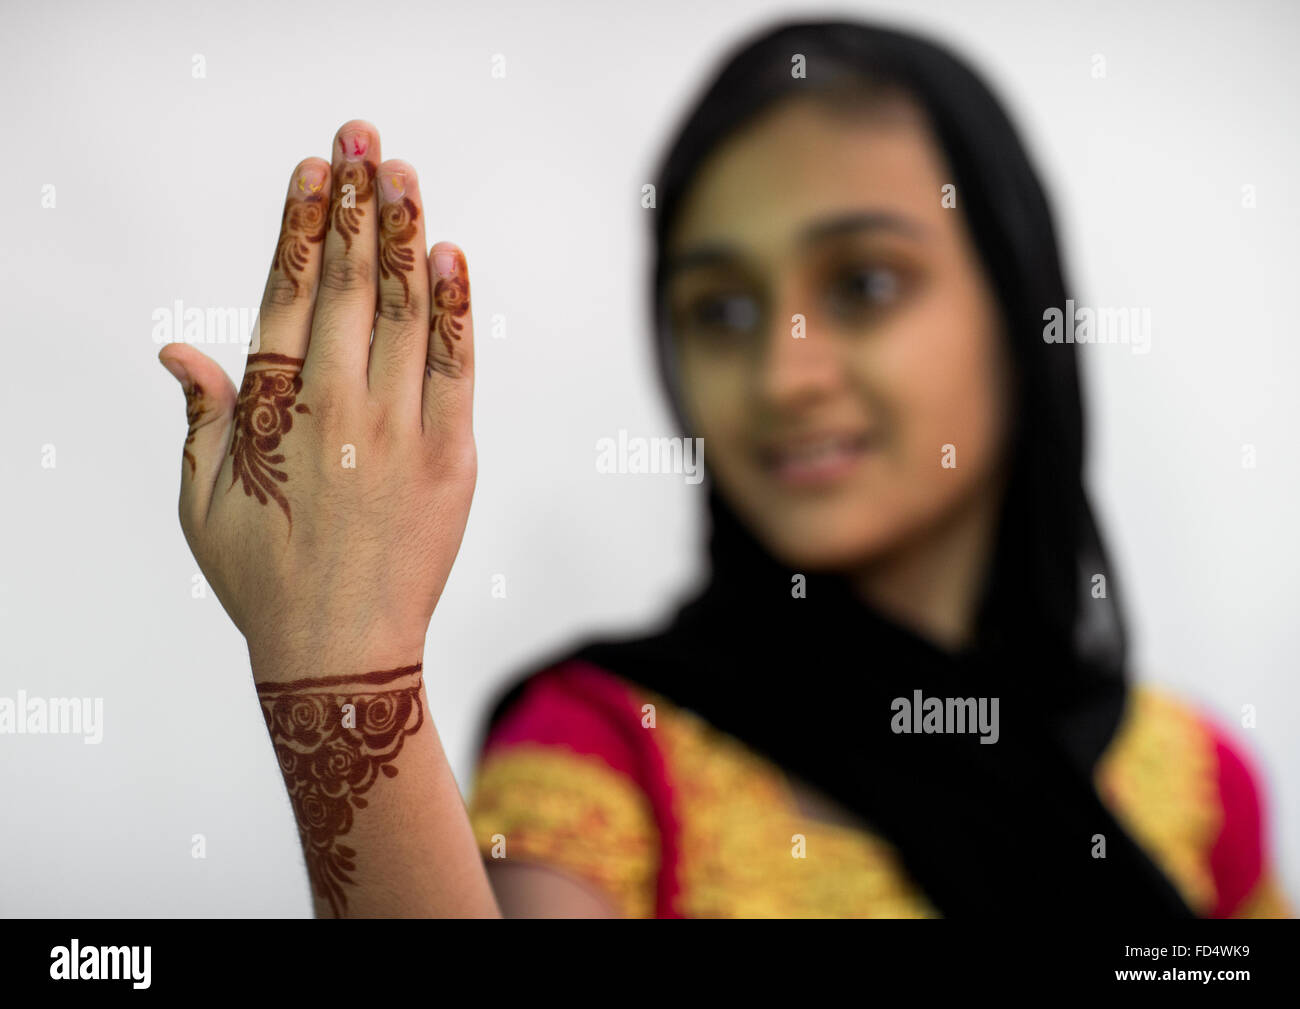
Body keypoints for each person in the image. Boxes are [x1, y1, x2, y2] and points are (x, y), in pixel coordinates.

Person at [159, 20, 1288, 918]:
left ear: (1018, 300)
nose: (782, 373)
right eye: (721, 309)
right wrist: (343, 683)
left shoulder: (1193, 780)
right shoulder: (610, 744)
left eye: (865, 285)